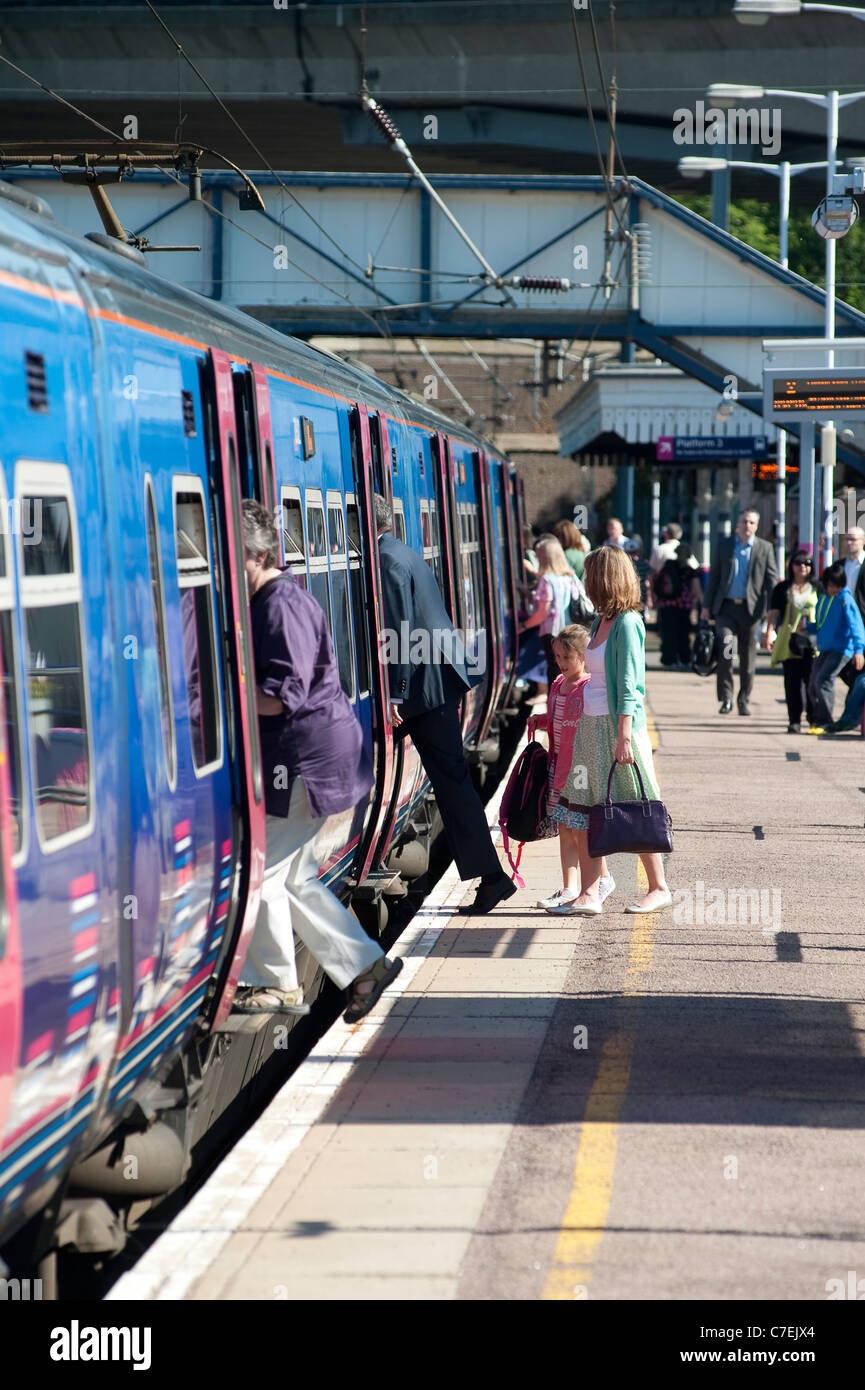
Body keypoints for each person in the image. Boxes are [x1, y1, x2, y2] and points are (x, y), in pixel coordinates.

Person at [235, 500, 403, 1022]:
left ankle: (278, 984)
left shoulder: (279, 605)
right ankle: (365, 967)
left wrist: (230, 693)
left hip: (309, 760)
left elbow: (284, 692)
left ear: (256, 553)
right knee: (293, 877)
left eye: (230, 557)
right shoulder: (274, 599)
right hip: (313, 756)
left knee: (262, 874)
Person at [375, 494, 515, 916]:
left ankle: (493, 879)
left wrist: (395, 691)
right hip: (435, 679)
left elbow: (399, 627)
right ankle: (492, 878)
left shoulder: (386, 559)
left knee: (453, 783)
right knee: (453, 781)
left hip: (423, 685)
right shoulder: (402, 552)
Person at [547, 545, 671, 916]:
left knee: (636, 805)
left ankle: (659, 887)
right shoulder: (602, 621)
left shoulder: (629, 623)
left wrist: (624, 736)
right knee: (582, 809)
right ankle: (588, 893)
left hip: (617, 729)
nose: (584, 581)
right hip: (591, 726)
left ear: (604, 578)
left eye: (589, 574)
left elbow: (631, 685)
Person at [527, 625, 615, 914]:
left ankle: (597, 880)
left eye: (566, 657)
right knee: (565, 827)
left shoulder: (587, 687)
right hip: (557, 767)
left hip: (579, 770)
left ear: (583, 657)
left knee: (580, 828)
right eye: (557, 657)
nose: (561, 662)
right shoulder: (556, 684)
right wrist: (541, 720)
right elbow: (557, 717)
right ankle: (573, 885)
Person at [701, 507, 778, 716]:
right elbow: (714, 577)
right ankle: (726, 698)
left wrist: (773, 610)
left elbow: (772, 582)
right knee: (726, 649)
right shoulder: (725, 545)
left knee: (747, 658)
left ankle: (743, 699)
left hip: (751, 611)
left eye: (752, 523)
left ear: (757, 526)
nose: (747, 526)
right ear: (738, 524)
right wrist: (706, 607)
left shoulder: (764, 548)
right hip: (726, 608)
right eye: (744, 521)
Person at [520, 535, 591, 689]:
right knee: (573, 673)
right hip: (572, 632)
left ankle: (556, 707)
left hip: (553, 634)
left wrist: (523, 626)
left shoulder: (546, 581)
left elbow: (542, 614)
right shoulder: (570, 576)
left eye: (539, 557)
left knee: (555, 675)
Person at [763, 551, 820, 734]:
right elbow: (774, 613)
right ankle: (794, 720)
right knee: (792, 683)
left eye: (807, 563)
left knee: (812, 682)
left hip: (812, 642)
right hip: (789, 641)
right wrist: (769, 633)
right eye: (798, 563)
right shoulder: (782, 588)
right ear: (791, 566)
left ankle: (813, 719)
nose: (802, 566)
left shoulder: (818, 587)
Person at [805, 561, 865, 734]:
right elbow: (821, 623)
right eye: (831, 585)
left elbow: (857, 626)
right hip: (826, 648)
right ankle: (818, 718)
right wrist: (808, 627)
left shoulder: (845, 600)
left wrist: (859, 651)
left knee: (823, 680)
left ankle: (826, 721)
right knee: (813, 683)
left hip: (842, 649)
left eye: (838, 586)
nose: (835, 589)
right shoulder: (823, 599)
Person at [655, 542, 703, 668]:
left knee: (668, 633)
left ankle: (668, 659)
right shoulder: (690, 571)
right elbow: (695, 590)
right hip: (683, 606)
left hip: (666, 605)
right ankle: (684, 658)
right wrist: (700, 604)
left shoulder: (668, 565)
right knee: (683, 634)